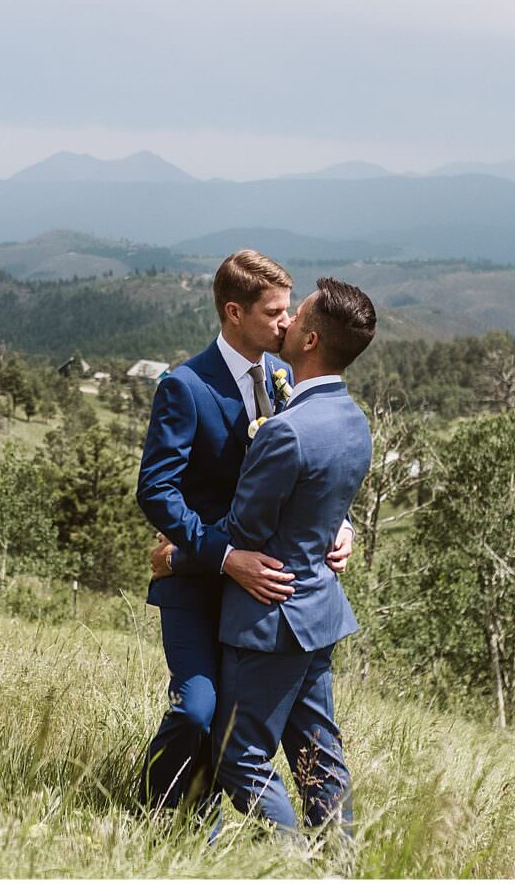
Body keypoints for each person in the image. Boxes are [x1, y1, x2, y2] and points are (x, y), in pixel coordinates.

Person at [152, 277, 377, 837]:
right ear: (234, 312)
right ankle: (338, 866)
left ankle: (288, 866)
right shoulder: (353, 417)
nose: (285, 324)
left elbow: (246, 528)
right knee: (317, 753)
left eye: (293, 316)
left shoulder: (288, 425)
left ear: (311, 340)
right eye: (276, 312)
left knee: (243, 758)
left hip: (269, 616)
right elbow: (326, 484)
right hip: (318, 610)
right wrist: (335, 524)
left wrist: (179, 558)